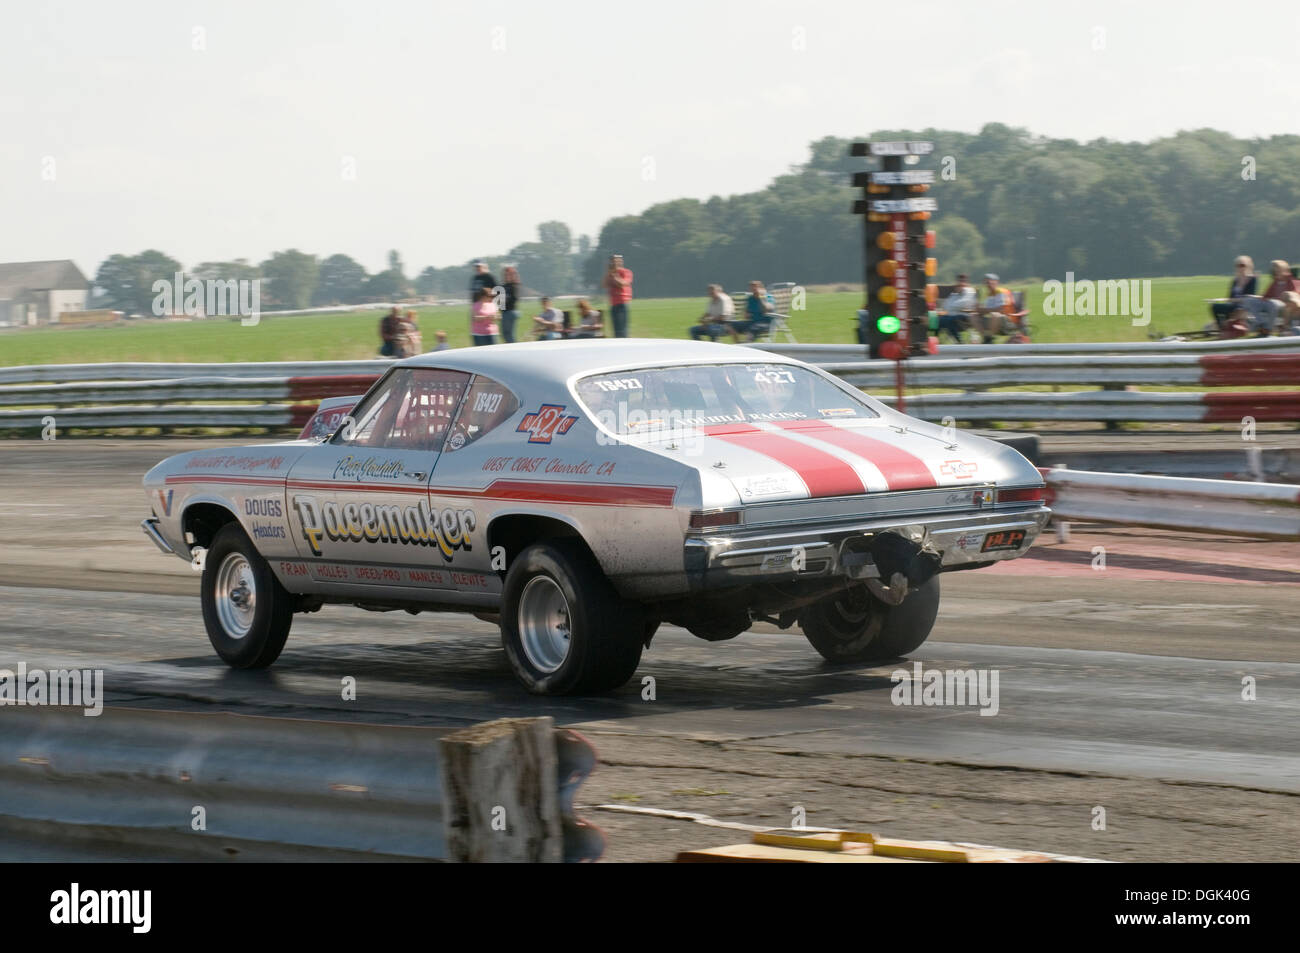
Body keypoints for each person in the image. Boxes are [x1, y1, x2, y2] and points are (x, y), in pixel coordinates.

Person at [1210, 256, 1258, 330]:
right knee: (1214, 306)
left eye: (1242, 265)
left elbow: (1249, 297)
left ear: (1248, 266)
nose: (1240, 268)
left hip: (1243, 305)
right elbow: (1230, 296)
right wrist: (1219, 299)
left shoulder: (1252, 279)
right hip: (1233, 304)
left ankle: (1227, 327)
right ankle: (1222, 327)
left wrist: (1234, 300)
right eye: (1237, 266)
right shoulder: (1235, 280)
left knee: (1225, 308)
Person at [1255, 259, 1300, 335]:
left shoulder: (1293, 281)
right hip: (1280, 307)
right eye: (1274, 270)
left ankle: (1285, 328)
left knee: (1288, 298)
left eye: (1278, 270)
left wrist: (1283, 297)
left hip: (1294, 306)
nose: (1276, 272)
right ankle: (1270, 328)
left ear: (1285, 270)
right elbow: (1265, 296)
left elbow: (1296, 295)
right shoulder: (1274, 283)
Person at [974, 273, 1016, 343]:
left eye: (989, 282)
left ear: (996, 282)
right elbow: (986, 310)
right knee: (973, 316)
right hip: (994, 319)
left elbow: (1001, 310)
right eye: (986, 283)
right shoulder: (989, 294)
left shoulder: (1001, 292)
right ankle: (985, 337)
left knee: (995, 314)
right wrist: (978, 310)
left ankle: (990, 338)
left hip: (1007, 320)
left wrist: (983, 310)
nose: (987, 285)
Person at [936, 274, 978, 343]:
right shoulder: (954, 294)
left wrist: (952, 307)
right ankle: (936, 342)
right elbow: (945, 306)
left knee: (950, 320)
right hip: (952, 315)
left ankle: (959, 342)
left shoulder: (970, 291)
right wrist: (953, 306)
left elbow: (963, 304)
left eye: (963, 281)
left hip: (965, 316)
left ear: (967, 282)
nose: (961, 283)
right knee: (937, 321)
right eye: (960, 281)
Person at [602, 254, 633, 337]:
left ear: (621, 262)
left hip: (622, 304)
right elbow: (604, 285)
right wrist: (608, 273)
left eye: (617, 261)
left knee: (622, 330)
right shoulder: (610, 274)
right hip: (613, 304)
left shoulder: (626, 272)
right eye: (613, 261)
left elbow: (622, 284)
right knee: (616, 331)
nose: (615, 263)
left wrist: (615, 275)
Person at [500, 265, 521, 343]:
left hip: (510, 311)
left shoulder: (514, 286)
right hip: (504, 312)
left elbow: (514, 299)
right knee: (505, 334)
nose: (506, 276)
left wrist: (503, 300)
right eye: (505, 275)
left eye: (509, 275)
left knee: (509, 334)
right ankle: (510, 346)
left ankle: (513, 347)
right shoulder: (503, 286)